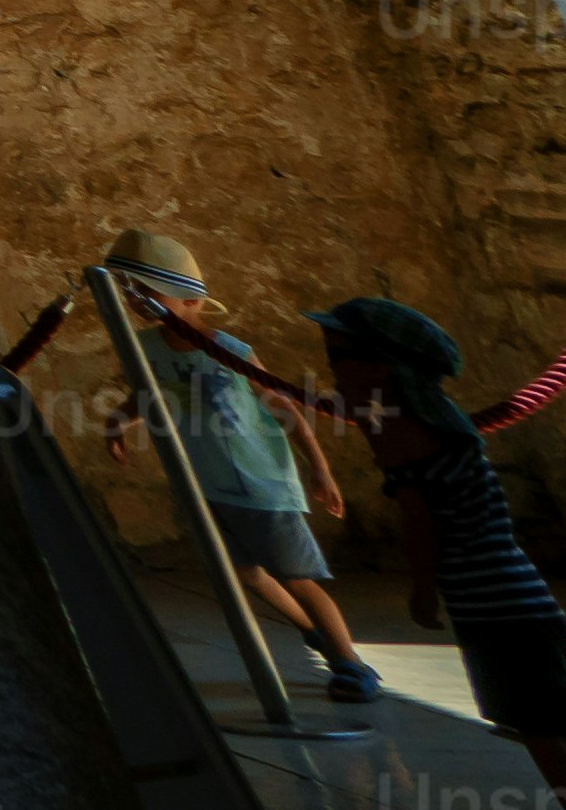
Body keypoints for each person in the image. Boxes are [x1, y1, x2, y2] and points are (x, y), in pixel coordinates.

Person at [116, 231, 392, 706]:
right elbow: (149, 392)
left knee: (297, 576)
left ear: (189, 301)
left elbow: (287, 410)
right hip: (207, 483)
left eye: (150, 292)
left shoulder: (231, 351)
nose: (138, 301)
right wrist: (119, 422)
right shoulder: (145, 347)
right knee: (245, 572)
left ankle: (351, 662)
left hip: (261, 484)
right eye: (134, 292)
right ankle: (317, 635)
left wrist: (320, 470)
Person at [323, 294, 566, 793]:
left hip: (495, 612)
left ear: (380, 367)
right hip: (525, 603)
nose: (330, 370)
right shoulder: (435, 418)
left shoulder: (400, 436)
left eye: (338, 357)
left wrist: (423, 590)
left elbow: (421, 523)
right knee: (563, 716)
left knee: (537, 726)